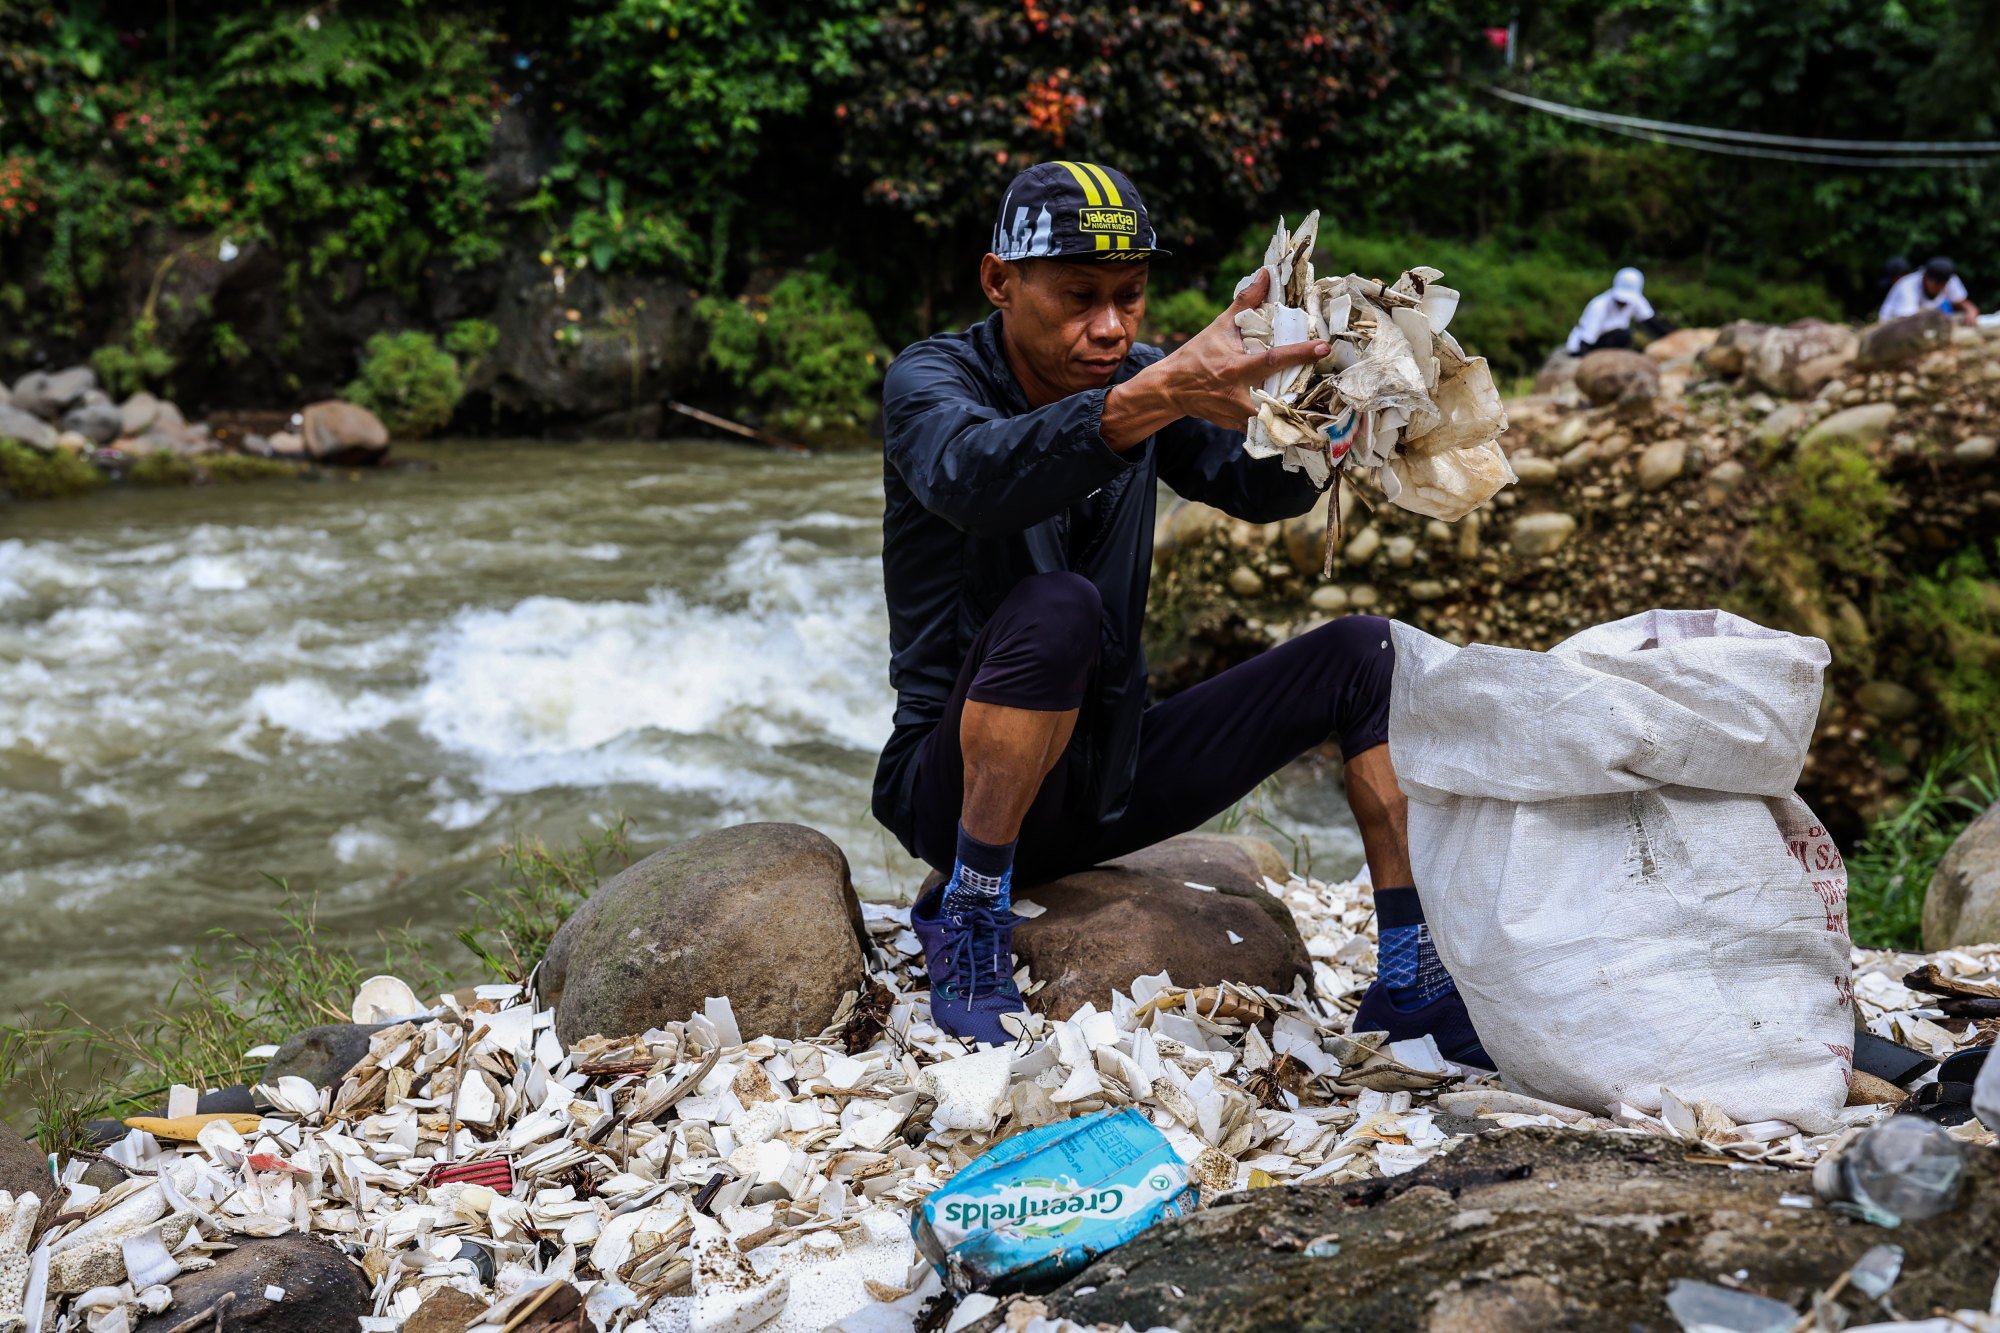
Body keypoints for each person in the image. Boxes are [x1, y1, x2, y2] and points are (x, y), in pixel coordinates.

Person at [873, 160, 1486, 1065]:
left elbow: (1254, 484)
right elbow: (972, 477)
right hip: (949, 786)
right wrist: (1149, 397)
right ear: (999, 281)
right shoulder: (930, 380)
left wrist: (1326, 415)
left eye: (1130, 296)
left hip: (1109, 783)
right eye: (1080, 296)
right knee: (1059, 608)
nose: (1111, 326)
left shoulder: (1146, 378)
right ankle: (968, 911)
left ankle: (1410, 974)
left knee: (1367, 654)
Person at [1564, 266, 1672, 355]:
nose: (1623, 302)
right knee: (1624, 334)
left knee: (1627, 336)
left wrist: (1673, 337)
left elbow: (1651, 322)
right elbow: (1586, 340)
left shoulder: (1637, 300)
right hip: (1583, 346)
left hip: (1610, 342)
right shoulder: (1599, 305)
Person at [1879, 255, 1980, 325]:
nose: (1940, 288)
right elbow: (1907, 321)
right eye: (1937, 284)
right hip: (1892, 325)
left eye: (1943, 284)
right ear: (1926, 278)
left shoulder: (1951, 280)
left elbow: (1961, 302)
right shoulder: (1907, 286)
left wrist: (1970, 310)